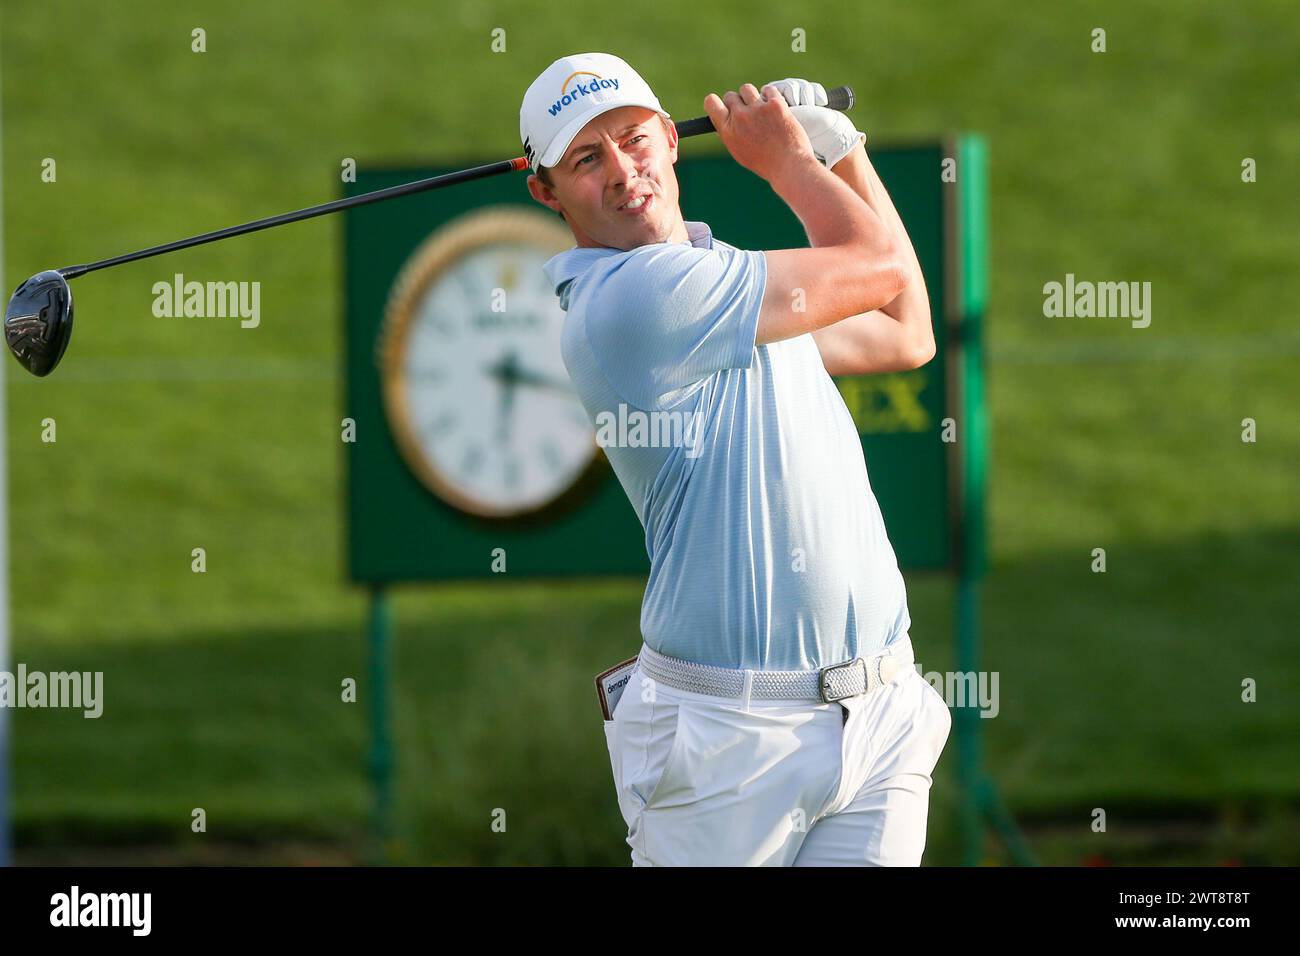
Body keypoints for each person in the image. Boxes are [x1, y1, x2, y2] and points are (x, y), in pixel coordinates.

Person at [520, 52, 951, 866]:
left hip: (879, 711)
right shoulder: (632, 304)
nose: (622, 171)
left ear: (671, 144)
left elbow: (905, 330)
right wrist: (792, 159)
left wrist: (840, 146)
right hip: (728, 743)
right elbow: (879, 265)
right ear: (546, 192)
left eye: (634, 139)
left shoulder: (723, 282)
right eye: (587, 158)